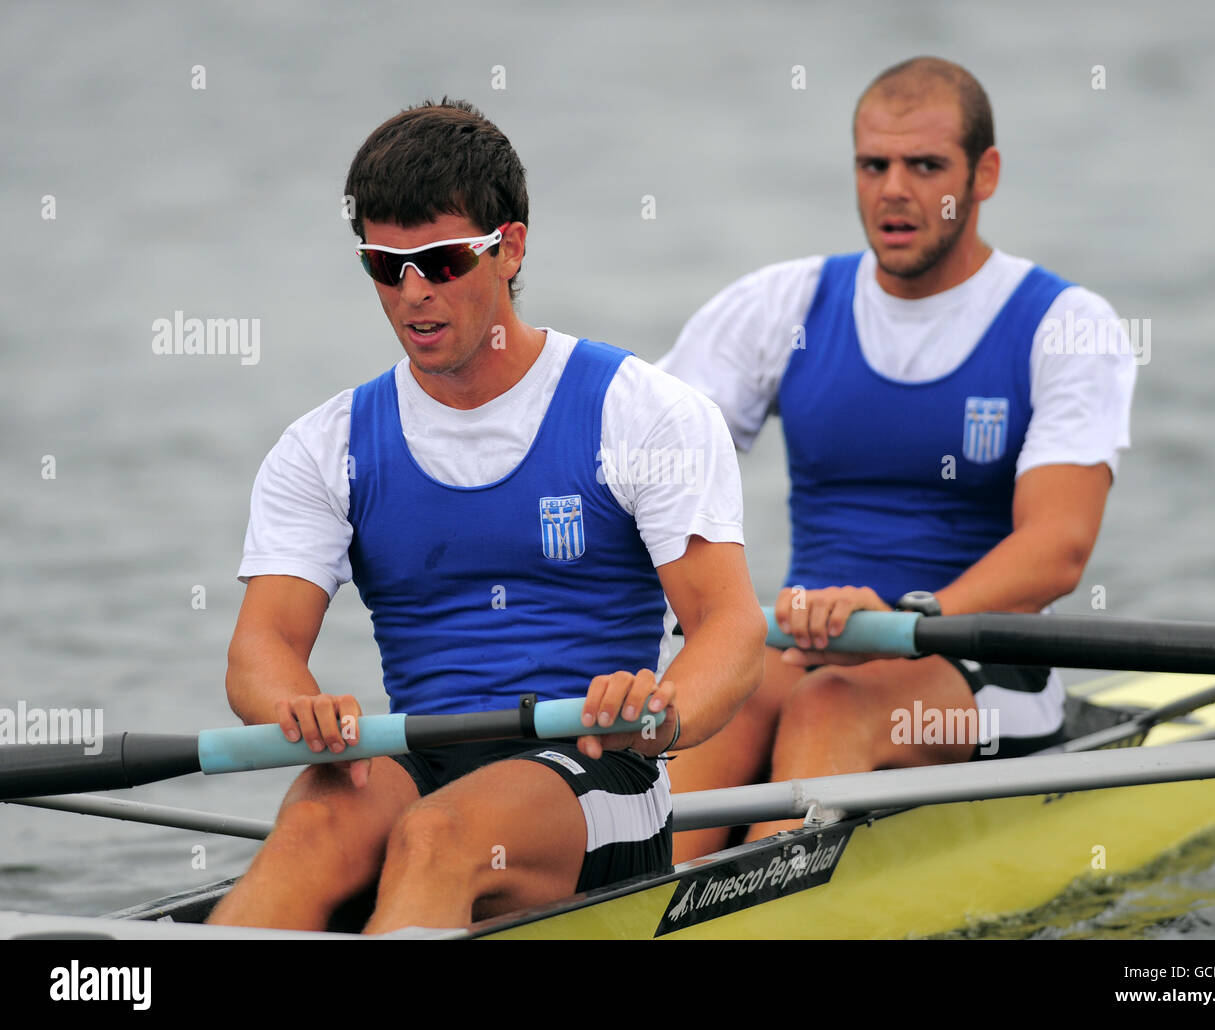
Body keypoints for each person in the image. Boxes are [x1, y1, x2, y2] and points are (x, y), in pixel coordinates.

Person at [207, 99, 766, 932]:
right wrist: (297, 705)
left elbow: (730, 626)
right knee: (314, 825)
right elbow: (262, 648)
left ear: (509, 247)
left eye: (440, 261)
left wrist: (661, 712)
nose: (413, 294)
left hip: (596, 769)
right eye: (384, 267)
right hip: (422, 758)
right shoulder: (325, 445)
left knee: (434, 837)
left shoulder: (639, 411)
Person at [659, 57, 1137, 860]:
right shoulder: (782, 306)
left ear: (984, 174)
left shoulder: (1063, 324)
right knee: (718, 695)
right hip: (810, 642)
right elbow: (644, 479)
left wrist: (900, 625)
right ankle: (641, 891)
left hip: (985, 669)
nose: (893, 191)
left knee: (830, 706)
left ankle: (768, 907)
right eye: (873, 165)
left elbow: (1058, 550)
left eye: (925, 166)